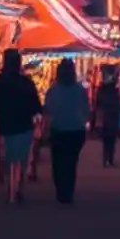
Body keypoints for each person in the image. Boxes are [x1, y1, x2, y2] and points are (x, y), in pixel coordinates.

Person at [0, 49, 41, 204]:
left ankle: (12, 188)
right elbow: (36, 107)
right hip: (24, 125)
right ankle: (17, 187)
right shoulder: (26, 83)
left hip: (5, 125)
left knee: (10, 159)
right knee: (21, 159)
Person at [44, 58, 89, 204]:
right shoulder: (79, 90)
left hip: (58, 129)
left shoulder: (53, 90)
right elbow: (86, 110)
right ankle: (68, 190)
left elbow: (48, 111)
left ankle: (60, 189)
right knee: (71, 162)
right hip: (76, 130)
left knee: (58, 162)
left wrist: (45, 128)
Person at [94, 68, 120, 167]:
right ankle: (110, 159)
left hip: (105, 116)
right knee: (112, 139)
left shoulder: (101, 91)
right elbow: (119, 103)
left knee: (106, 140)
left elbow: (97, 104)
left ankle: (105, 158)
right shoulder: (115, 91)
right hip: (113, 116)